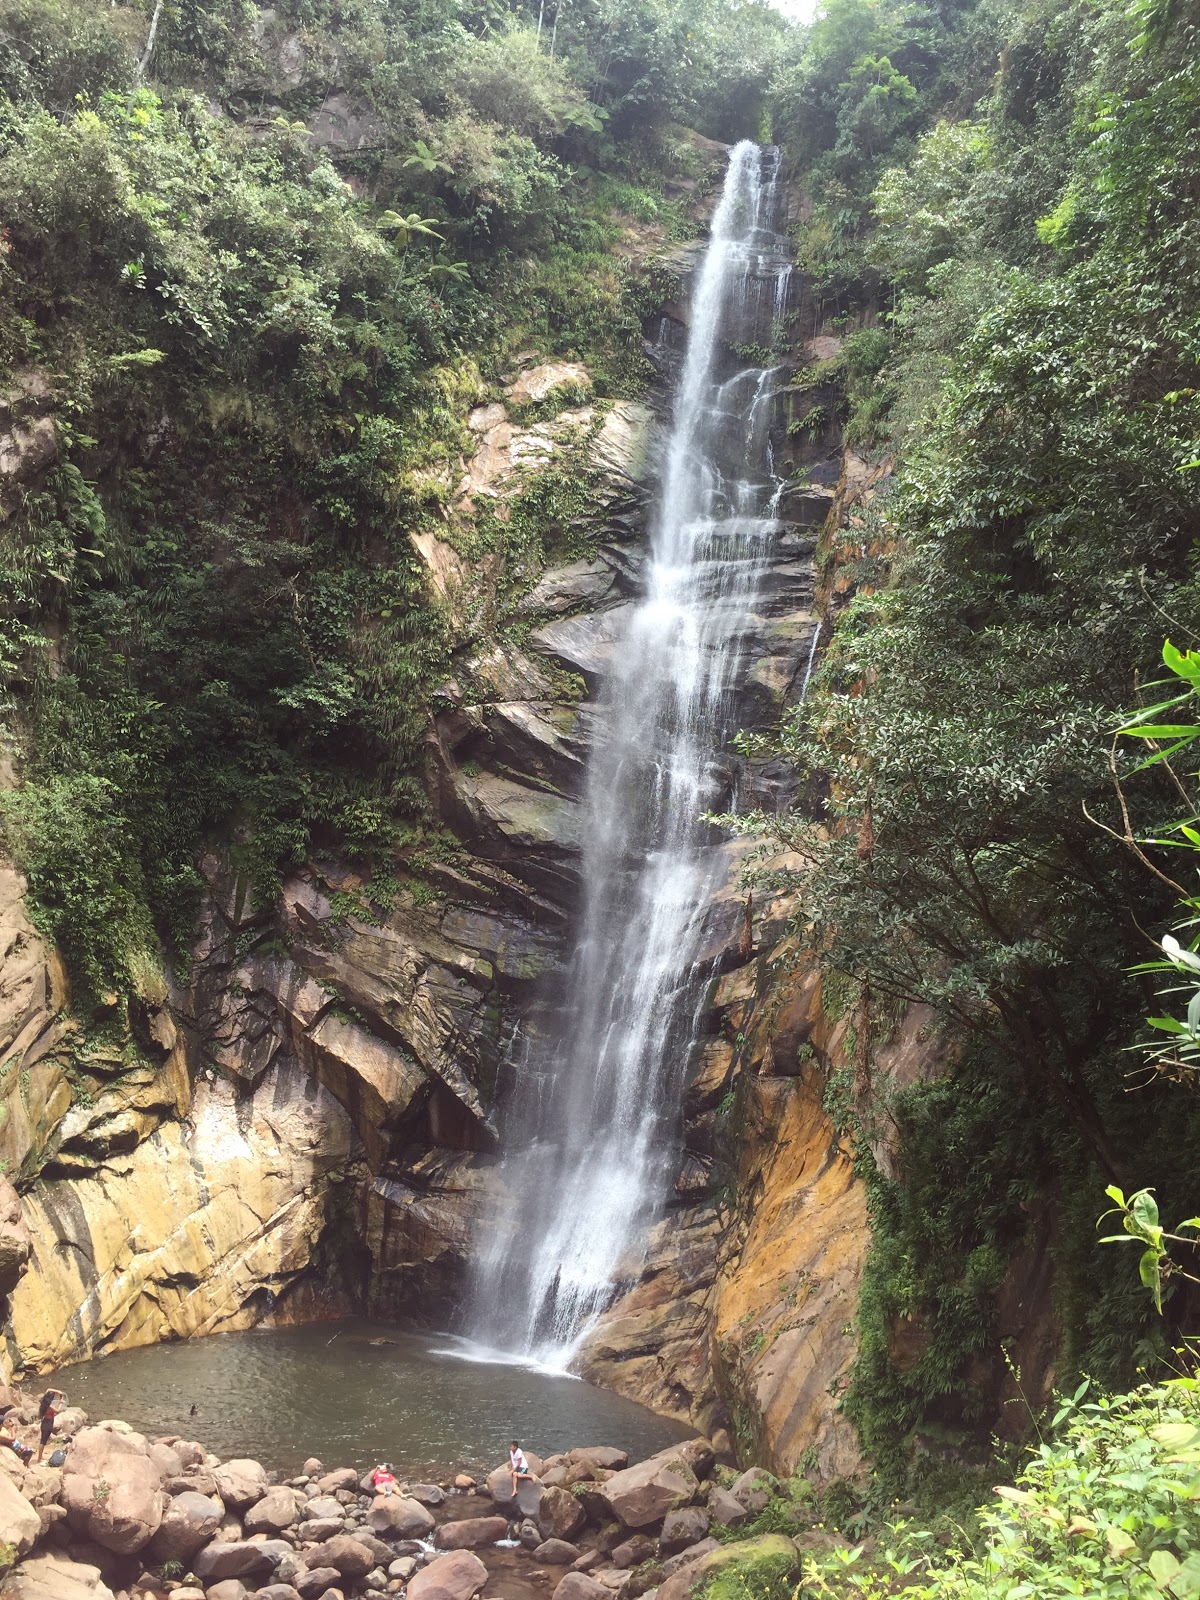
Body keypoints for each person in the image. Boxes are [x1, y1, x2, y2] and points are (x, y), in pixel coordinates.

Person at [36, 1389, 65, 1463]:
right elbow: (57, 1411)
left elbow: (48, 1389)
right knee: (43, 1441)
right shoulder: (49, 1407)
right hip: (48, 1423)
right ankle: (39, 1459)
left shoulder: (44, 1403)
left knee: (43, 1440)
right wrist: (61, 1403)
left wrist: (57, 1391)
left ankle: (40, 1456)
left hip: (45, 1422)